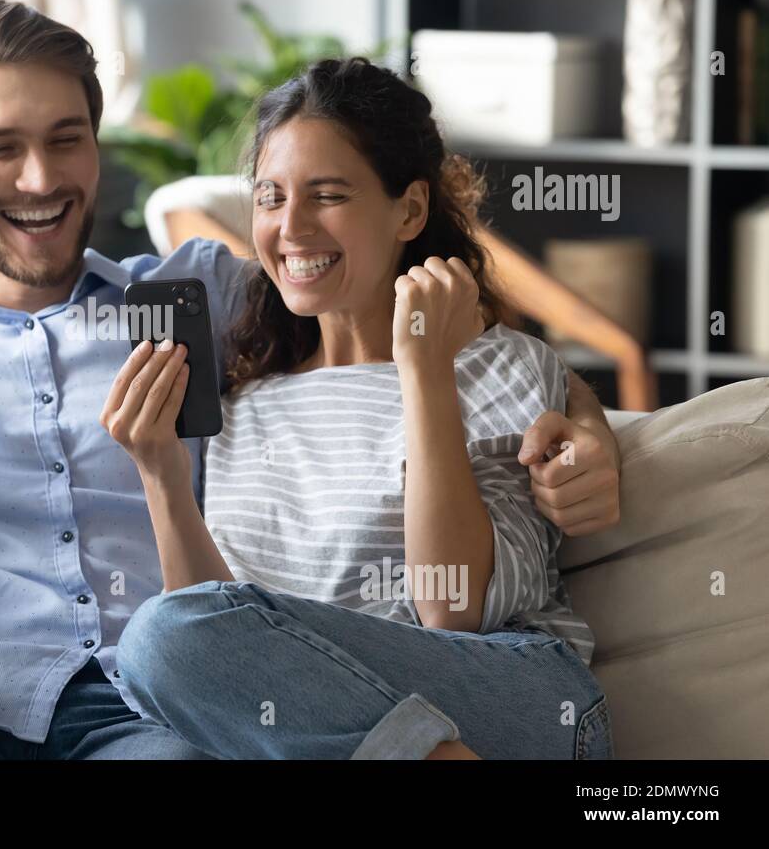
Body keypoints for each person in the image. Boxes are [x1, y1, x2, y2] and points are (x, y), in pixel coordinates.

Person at [0, 2, 620, 759]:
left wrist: (588, 419)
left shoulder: (186, 296)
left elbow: (386, 313)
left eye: (65, 137)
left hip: (151, 715)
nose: (39, 178)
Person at [104, 57, 614, 759]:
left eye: (328, 195)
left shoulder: (502, 368)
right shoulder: (247, 404)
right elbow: (218, 651)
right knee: (168, 644)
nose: (291, 227)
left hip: (521, 706)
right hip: (342, 733)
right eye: (271, 197)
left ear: (409, 209)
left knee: (157, 637)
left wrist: (425, 371)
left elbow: (452, 606)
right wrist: (161, 471)